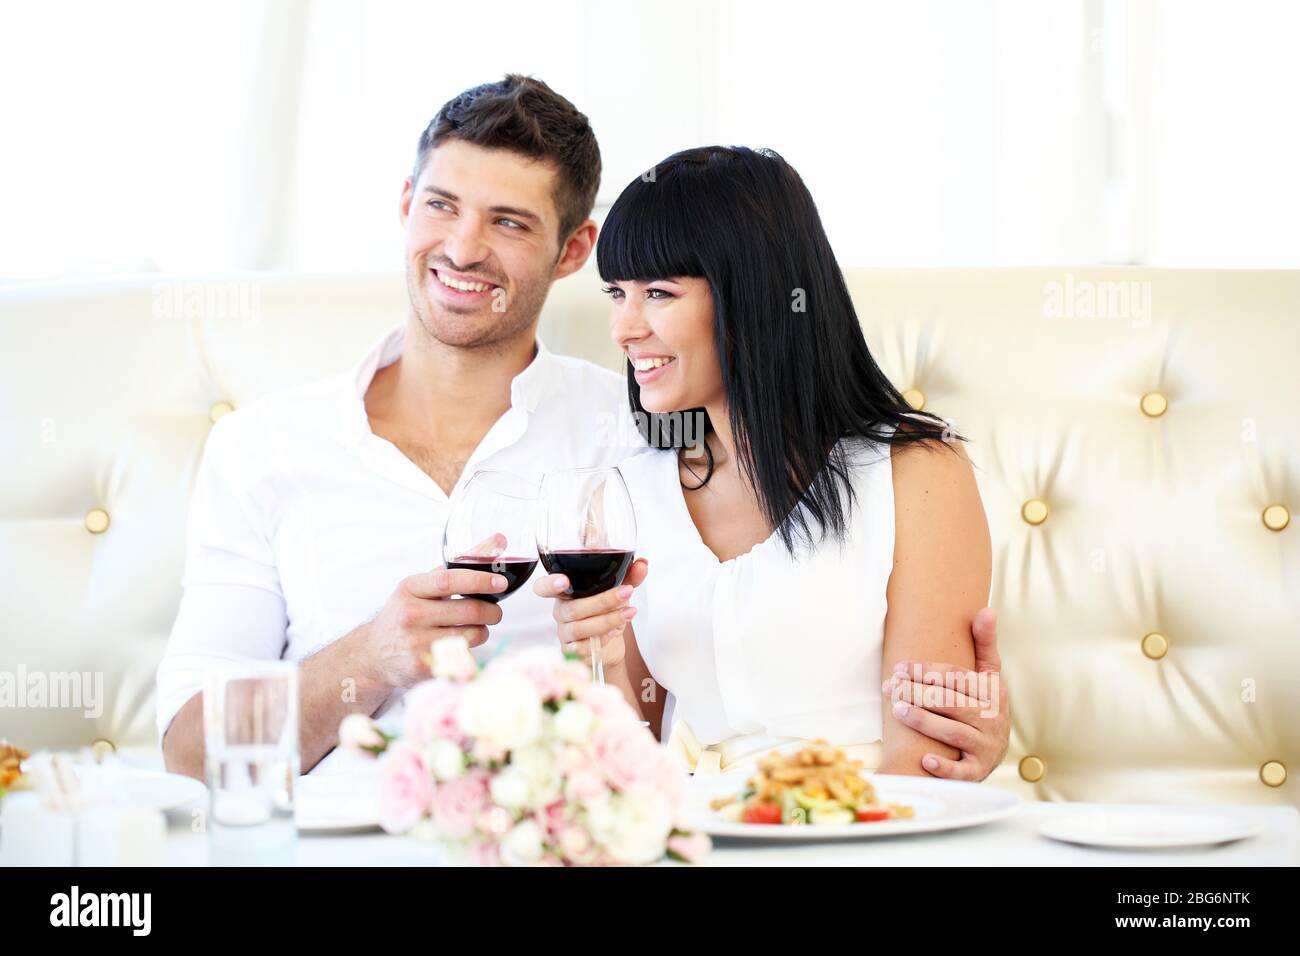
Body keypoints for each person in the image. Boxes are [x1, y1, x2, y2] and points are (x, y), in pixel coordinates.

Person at [159, 77, 1008, 781]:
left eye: (509, 222)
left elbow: (663, 715)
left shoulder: (641, 440)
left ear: (571, 249)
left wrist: (965, 746)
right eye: (443, 205)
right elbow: (191, 750)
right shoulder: (262, 448)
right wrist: (371, 657)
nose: (461, 247)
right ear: (406, 203)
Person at [535, 146, 1005, 778]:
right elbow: (630, 768)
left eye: (659, 292)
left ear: (751, 295)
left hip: (859, 834)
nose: (624, 327)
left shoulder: (914, 475)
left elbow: (926, 763)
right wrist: (601, 662)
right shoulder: (627, 493)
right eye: (617, 293)